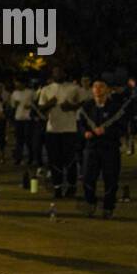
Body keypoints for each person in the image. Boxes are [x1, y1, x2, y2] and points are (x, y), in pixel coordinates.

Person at [78, 78, 129, 218]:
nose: (97, 89)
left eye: (101, 86)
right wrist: (85, 132)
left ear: (107, 89)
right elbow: (81, 124)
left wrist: (107, 131)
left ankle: (108, 206)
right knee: (87, 177)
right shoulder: (87, 107)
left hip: (109, 147)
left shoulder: (116, 107)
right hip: (91, 147)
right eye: (95, 86)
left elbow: (122, 128)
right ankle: (90, 202)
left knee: (111, 178)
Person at [36, 67, 84, 197]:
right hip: (53, 129)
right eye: (56, 72)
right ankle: (57, 186)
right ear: (52, 74)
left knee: (70, 159)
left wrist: (71, 107)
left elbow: (83, 103)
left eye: (61, 72)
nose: (58, 74)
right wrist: (50, 104)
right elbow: (40, 109)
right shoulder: (46, 89)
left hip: (70, 129)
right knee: (54, 159)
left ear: (64, 73)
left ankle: (71, 186)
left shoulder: (73, 88)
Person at [8, 78, 36, 167]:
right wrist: (15, 105)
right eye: (16, 84)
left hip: (28, 118)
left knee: (28, 139)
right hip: (18, 118)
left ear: (23, 84)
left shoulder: (31, 92)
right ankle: (18, 158)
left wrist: (31, 107)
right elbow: (12, 106)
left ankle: (31, 158)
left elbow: (36, 103)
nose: (17, 86)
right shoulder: (14, 93)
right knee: (19, 140)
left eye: (19, 84)